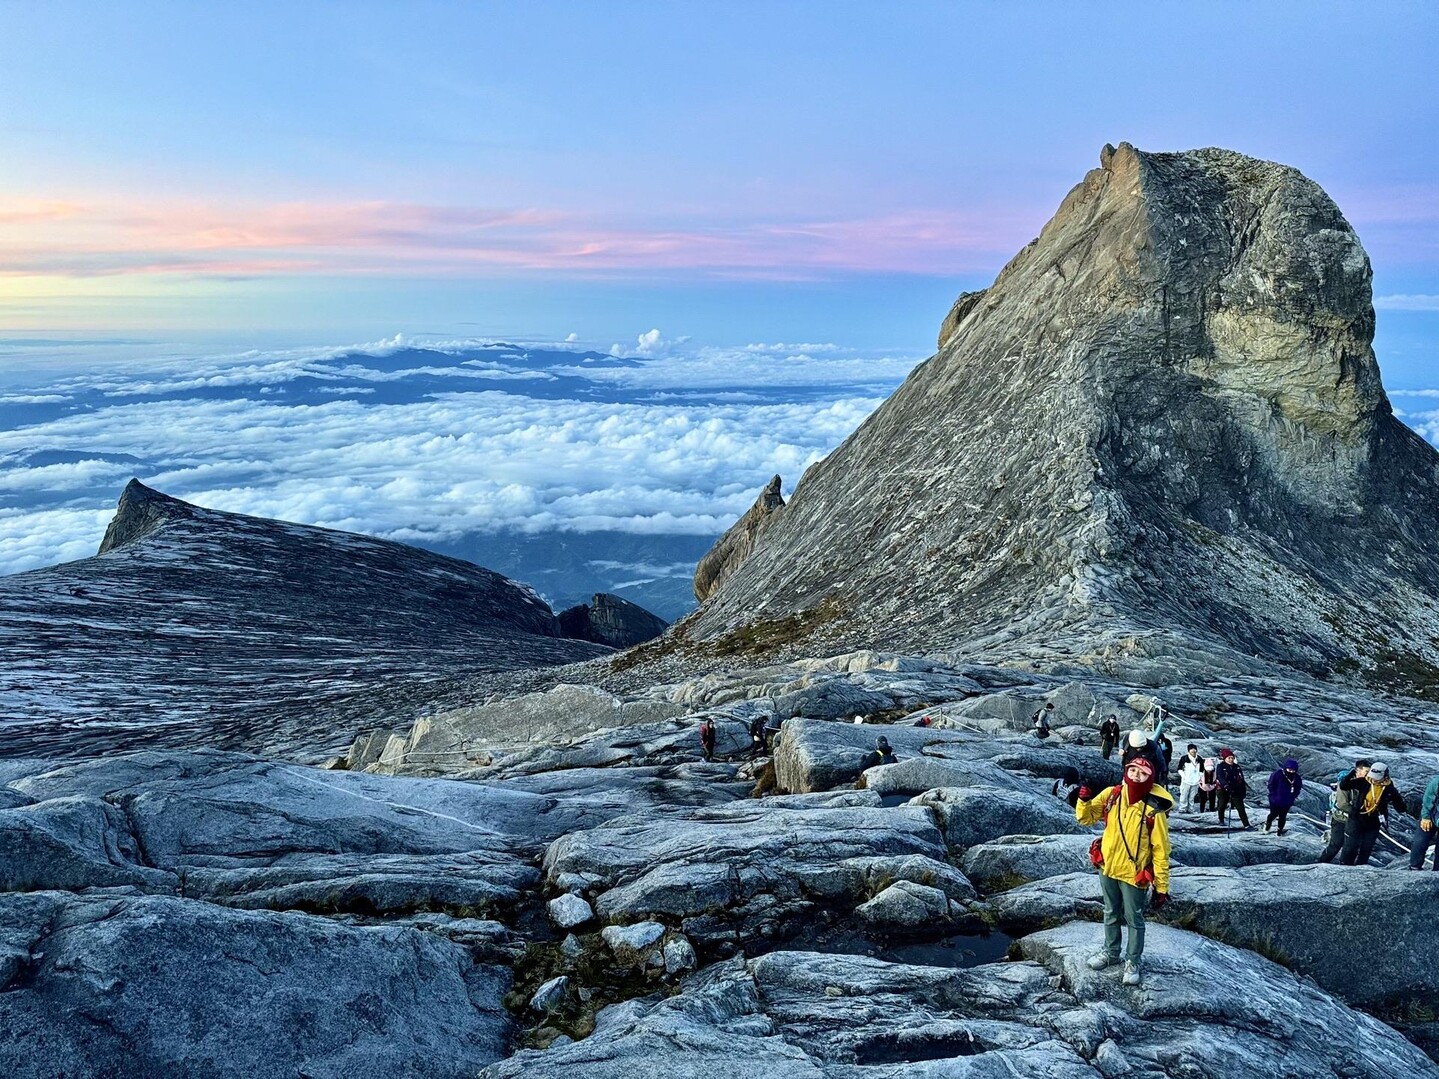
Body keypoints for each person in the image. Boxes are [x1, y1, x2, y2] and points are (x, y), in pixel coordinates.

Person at [1075, 755, 1173, 987]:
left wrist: (1161, 886)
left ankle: (1133, 961)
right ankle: (1111, 953)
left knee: (1134, 919)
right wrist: (1084, 800)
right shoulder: (1113, 794)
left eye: (1142, 773)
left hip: (1134, 874)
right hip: (1108, 867)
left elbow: (1161, 851)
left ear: (1151, 777)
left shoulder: (1154, 810)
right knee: (1110, 912)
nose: (1136, 776)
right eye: (1132, 771)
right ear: (1126, 771)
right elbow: (1085, 818)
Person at [1340, 760, 1406, 865]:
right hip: (1356, 818)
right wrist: (1352, 773)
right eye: (1372, 775)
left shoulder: (1389, 788)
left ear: (1385, 776)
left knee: (1366, 849)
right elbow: (1344, 786)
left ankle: (1360, 869)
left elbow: (1400, 807)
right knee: (1350, 846)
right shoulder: (1364, 781)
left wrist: (1399, 803)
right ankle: (1345, 866)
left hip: (1373, 823)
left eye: (1377, 777)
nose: (1374, 779)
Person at [1319, 760, 1370, 863]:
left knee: (1351, 846)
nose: (1368, 774)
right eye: (1366, 771)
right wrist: (1358, 813)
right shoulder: (1345, 784)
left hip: (1353, 820)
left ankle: (1345, 865)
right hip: (1341, 819)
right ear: (1358, 771)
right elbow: (1342, 804)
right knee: (1336, 845)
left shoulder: (1365, 783)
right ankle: (1321, 862)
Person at [1408, 772, 1439, 870]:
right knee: (1419, 842)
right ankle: (1415, 868)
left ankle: (1436, 873)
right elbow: (1427, 799)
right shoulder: (1436, 782)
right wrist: (1425, 817)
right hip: (1431, 815)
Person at [1264, 759, 1303, 835]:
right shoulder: (1277, 774)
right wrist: (1273, 794)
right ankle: (1268, 823)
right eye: (1289, 769)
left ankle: (1279, 830)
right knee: (1273, 814)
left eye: (1293, 770)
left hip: (1287, 801)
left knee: (1283, 816)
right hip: (1275, 799)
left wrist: (1293, 797)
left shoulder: (1297, 778)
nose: (1291, 771)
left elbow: (1297, 788)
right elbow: (1271, 784)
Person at [1215, 749, 1250, 829]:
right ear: (1224, 758)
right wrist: (1226, 786)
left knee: (1240, 807)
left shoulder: (1237, 767)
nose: (1231, 760)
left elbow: (1241, 779)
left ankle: (1246, 825)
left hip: (1235, 789)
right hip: (1223, 789)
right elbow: (1220, 777)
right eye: (1229, 758)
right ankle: (1221, 819)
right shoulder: (1220, 766)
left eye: (1232, 758)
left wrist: (1243, 790)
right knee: (1222, 804)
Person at [1176, 745, 1204, 813]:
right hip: (1186, 781)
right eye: (1191, 749)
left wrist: (1199, 777)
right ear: (1188, 750)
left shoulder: (1199, 758)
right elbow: (1179, 769)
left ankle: (1191, 809)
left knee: (1192, 797)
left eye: (1194, 749)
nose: (1193, 750)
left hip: (1195, 781)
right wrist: (1184, 776)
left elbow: (1201, 769)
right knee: (1184, 795)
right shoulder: (1184, 758)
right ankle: (1182, 809)